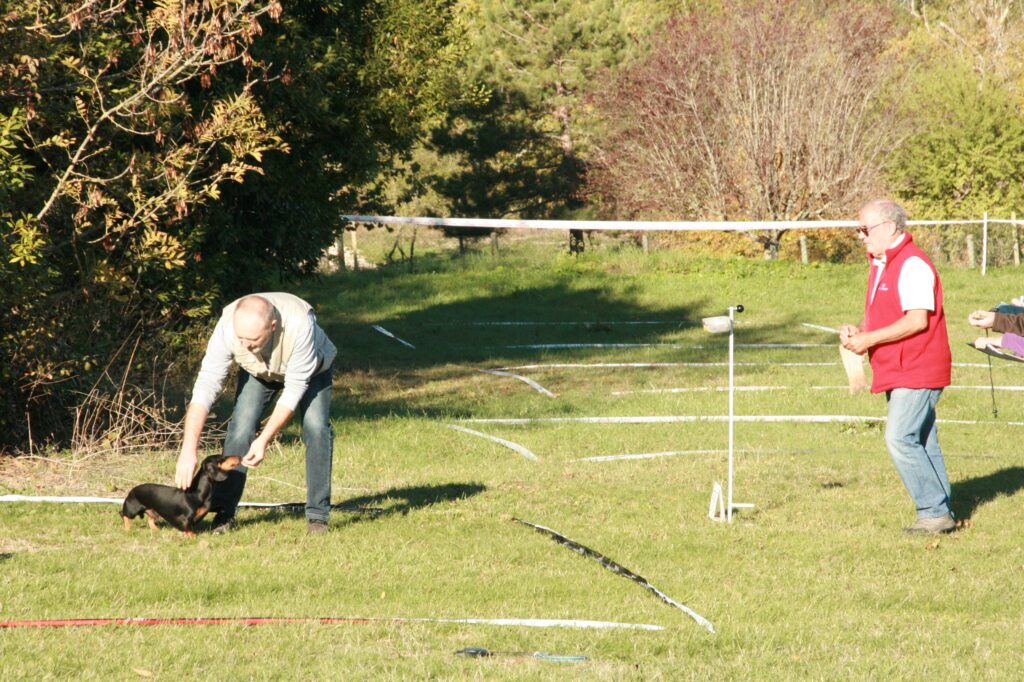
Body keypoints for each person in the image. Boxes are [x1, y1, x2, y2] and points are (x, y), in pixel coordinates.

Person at [175, 293, 337, 535]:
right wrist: (189, 449)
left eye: (252, 339)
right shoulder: (228, 326)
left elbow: (294, 389)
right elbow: (206, 385)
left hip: (311, 373)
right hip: (259, 372)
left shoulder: (300, 324)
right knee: (240, 429)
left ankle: (317, 516)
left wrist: (264, 440)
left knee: (315, 428)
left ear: (273, 327)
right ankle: (224, 513)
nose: (245, 345)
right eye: (240, 338)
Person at [839, 200, 955, 534]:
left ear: (889, 227)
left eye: (865, 229)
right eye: (859, 230)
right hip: (900, 367)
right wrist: (860, 332)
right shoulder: (880, 264)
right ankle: (941, 509)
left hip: (918, 366)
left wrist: (869, 339)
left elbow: (917, 321)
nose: (861, 236)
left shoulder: (912, 264)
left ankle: (933, 512)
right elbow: (886, 314)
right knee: (922, 439)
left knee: (900, 438)